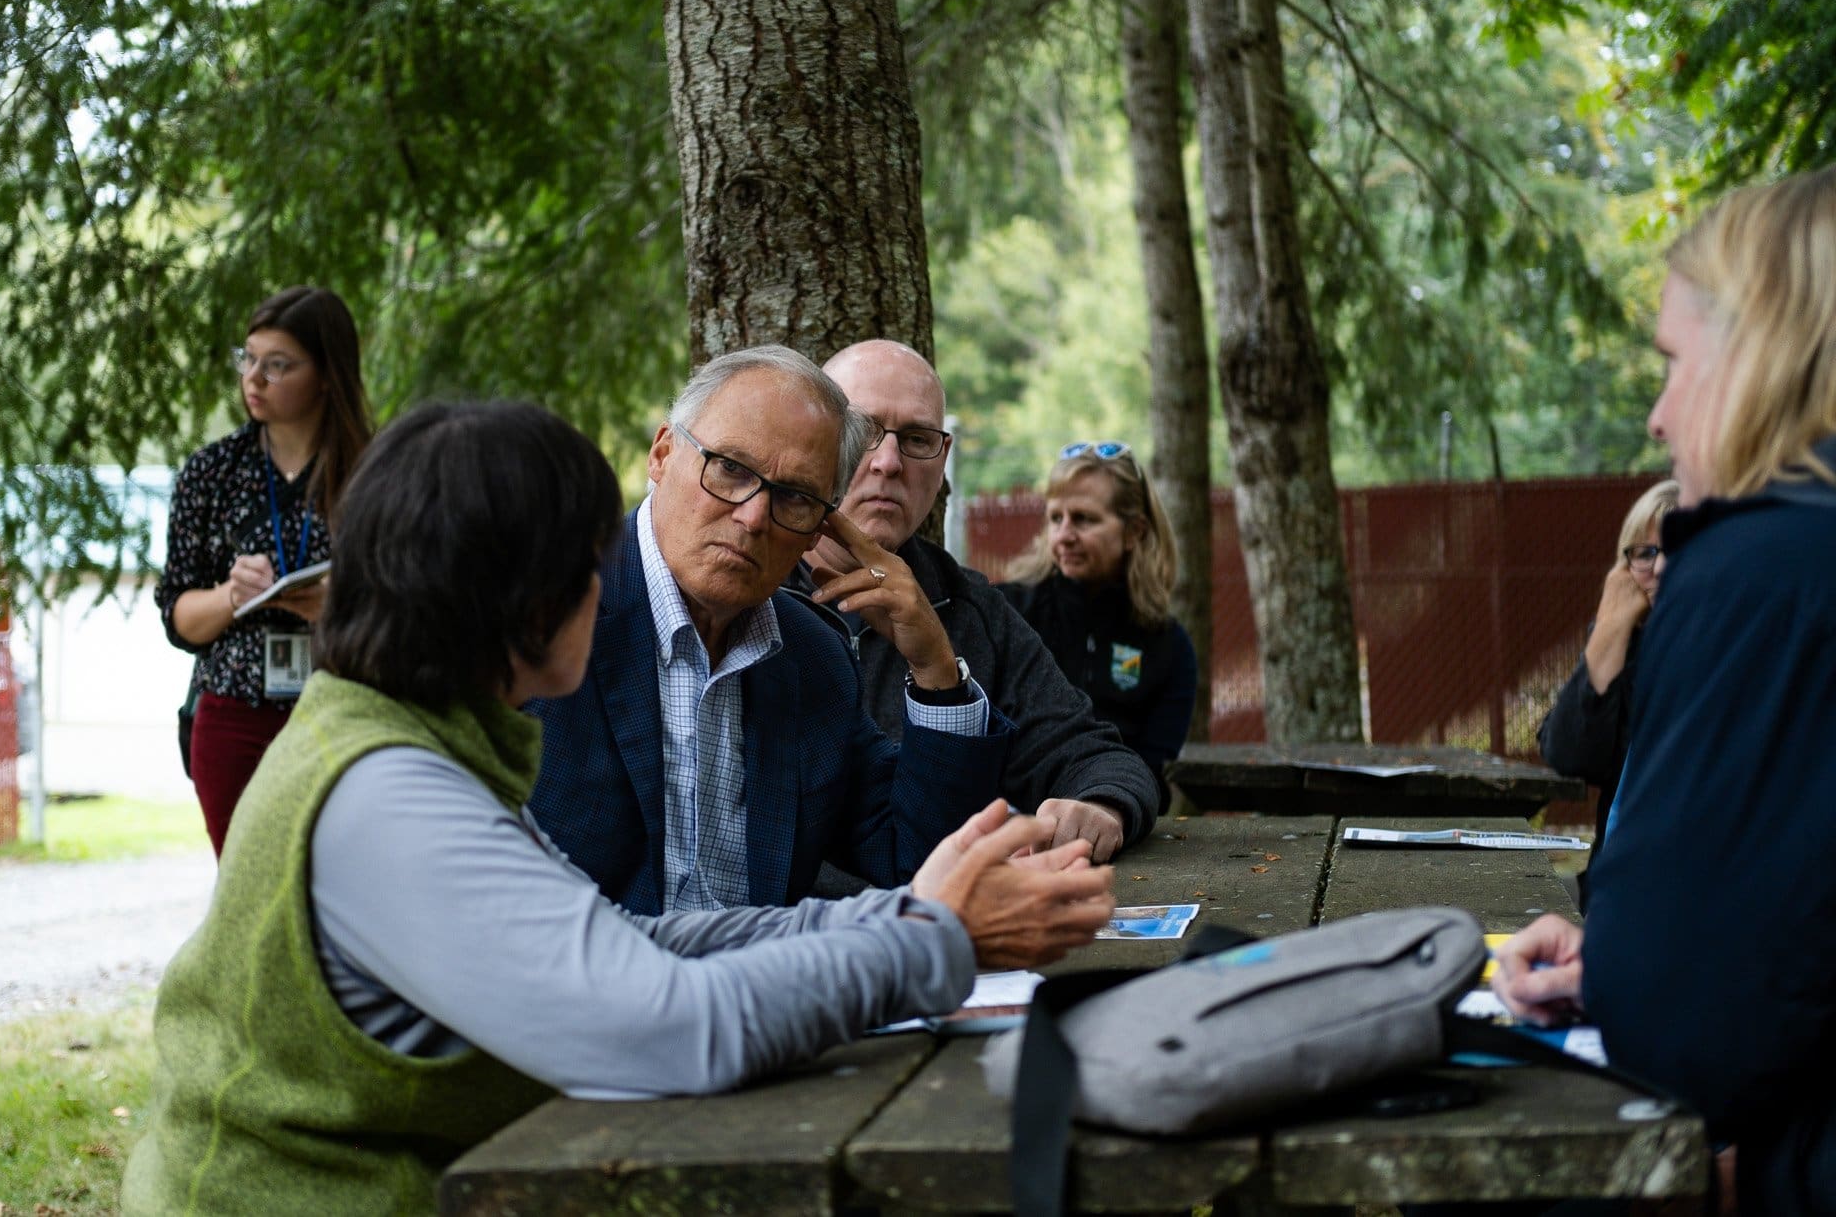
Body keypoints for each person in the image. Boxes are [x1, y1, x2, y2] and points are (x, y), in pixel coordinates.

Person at [122, 400, 1115, 1216]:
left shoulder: (402, 741)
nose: (606, 589)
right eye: (584, 561)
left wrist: (907, 917)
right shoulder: (387, 794)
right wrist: (932, 939)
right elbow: (665, 1026)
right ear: (522, 592)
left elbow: (626, 943)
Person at [1494, 166, 1836, 1215]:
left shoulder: (1754, 569)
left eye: (1672, 365)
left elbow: (1687, 1031)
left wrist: (1632, 969)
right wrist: (1613, 957)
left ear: (1758, 355)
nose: (1656, 417)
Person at [528, 344, 1019, 914]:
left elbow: (919, 863)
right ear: (662, 453)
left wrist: (936, 669)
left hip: (759, 969)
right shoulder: (542, 611)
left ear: (819, 527)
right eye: (730, 469)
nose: (754, 515)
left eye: (795, 497)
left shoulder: (811, 657)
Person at [787, 340, 1164, 864]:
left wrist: (1101, 804)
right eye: (863, 431)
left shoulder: (969, 608)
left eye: (916, 439)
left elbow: (1091, 753)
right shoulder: (753, 594)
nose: (889, 462)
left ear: (942, 463)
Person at [155, 285, 373, 855]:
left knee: (341, 886)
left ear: (326, 375)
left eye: (277, 365)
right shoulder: (212, 472)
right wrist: (231, 595)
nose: (254, 378)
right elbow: (178, 618)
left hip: (347, 714)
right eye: (248, 359)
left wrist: (340, 605)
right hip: (234, 717)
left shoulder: (376, 472)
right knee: (249, 885)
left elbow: (415, 607)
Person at [998, 444, 1198, 782]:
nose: (1064, 536)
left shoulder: (1168, 646)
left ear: (1134, 532)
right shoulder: (1007, 614)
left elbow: (1151, 773)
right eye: (1055, 518)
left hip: (1114, 805)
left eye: (1083, 519)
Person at [1534, 478, 1677, 908]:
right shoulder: (1626, 646)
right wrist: (1611, 626)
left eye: (1677, 547)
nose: (1659, 566)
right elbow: (1569, 754)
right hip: (1615, 889)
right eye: (1645, 553)